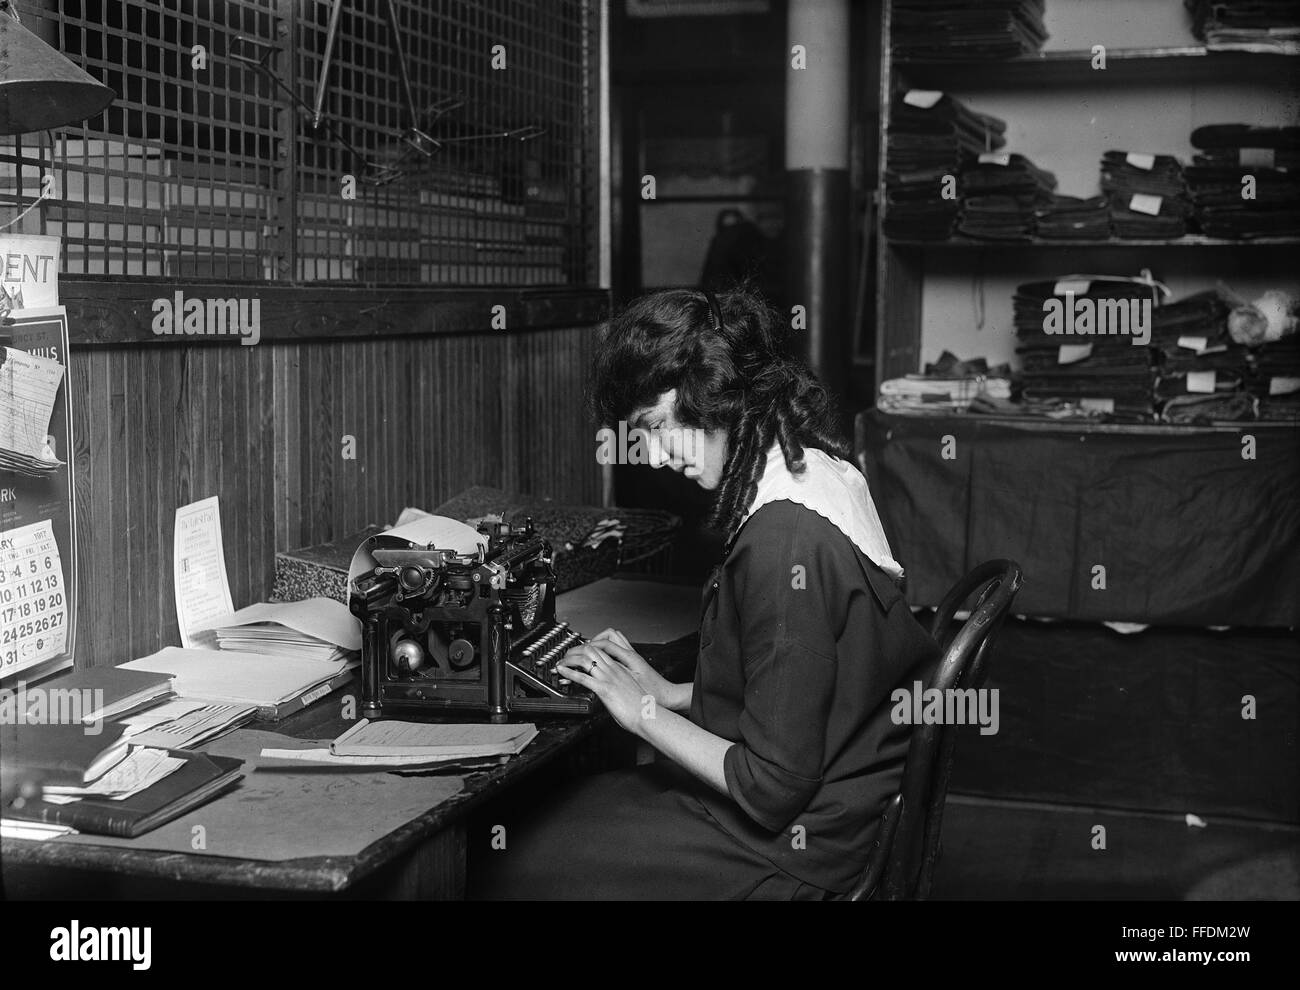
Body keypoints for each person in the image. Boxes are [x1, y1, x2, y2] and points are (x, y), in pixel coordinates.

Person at [469, 287, 939, 900]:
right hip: (847, 803)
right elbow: (811, 680)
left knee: (506, 858)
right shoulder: (814, 467)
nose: (659, 458)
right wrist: (674, 693)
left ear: (708, 390)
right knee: (565, 811)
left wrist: (642, 714)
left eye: (657, 427)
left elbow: (771, 787)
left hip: (800, 847)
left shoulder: (783, 542)